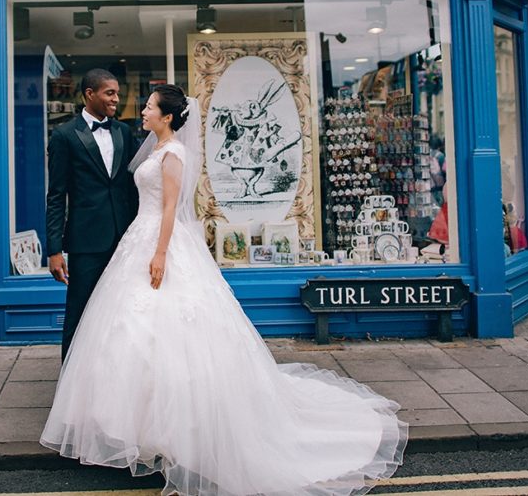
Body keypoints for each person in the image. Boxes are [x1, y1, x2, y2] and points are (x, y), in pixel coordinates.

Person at [41, 84, 407, 496]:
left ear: (166, 116)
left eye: (148, 106)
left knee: (163, 332)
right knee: (127, 331)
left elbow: (169, 210)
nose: (141, 111)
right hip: (135, 239)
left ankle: (174, 428)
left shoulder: (174, 154)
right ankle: (132, 426)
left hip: (158, 243)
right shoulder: (150, 146)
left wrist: (160, 254)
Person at [46, 68, 138, 361]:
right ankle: (69, 385)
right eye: (109, 93)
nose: (116, 99)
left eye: (117, 93)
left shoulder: (124, 131)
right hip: (86, 242)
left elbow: (131, 188)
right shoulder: (64, 135)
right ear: (90, 94)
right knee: (79, 312)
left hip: (125, 239)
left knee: (124, 311)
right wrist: (54, 249)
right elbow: (57, 195)